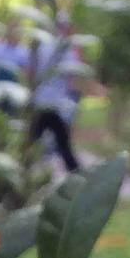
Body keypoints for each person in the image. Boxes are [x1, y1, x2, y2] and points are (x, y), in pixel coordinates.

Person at [28, 22, 86, 174]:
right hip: (58, 104)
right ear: (67, 30)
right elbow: (73, 80)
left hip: (41, 101)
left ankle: (25, 169)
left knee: (32, 141)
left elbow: (32, 73)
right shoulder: (69, 52)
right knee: (63, 144)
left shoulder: (43, 47)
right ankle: (78, 174)